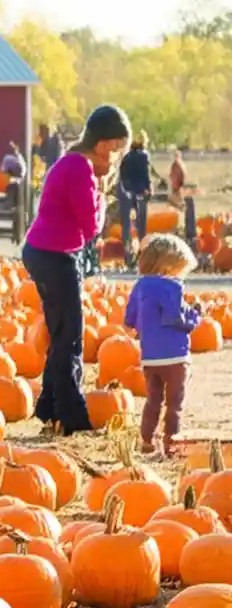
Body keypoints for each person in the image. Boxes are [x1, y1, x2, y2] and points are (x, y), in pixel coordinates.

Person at [24, 104, 132, 436]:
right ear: (102, 143)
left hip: (44, 252)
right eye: (116, 147)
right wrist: (101, 194)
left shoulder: (69, 163)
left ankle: (50, 406)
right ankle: (71, 414)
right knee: (70, 335)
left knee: (61, 333)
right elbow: (91, 226)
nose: (116, 155)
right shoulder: (80, 169)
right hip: (55, 256)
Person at [124, 234, 200, 457]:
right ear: (169, 265)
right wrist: (194, 316)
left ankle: (146, 440)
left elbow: (129, 319)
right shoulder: (171, 286)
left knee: (153, 400)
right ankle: (171, 443)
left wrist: (144, 328)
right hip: (175, 357)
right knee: (174, 403)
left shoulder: (140, 286)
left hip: (149, 357)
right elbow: (175, 317)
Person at [118, 131, 152, 262]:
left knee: (126, 225)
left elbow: (122, 174)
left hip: (127, 192)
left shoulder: (126, 157)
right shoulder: (143, 156)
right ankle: (141, 253)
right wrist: (148, 188)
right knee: (141, 225)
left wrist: (126, 188)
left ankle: (126, 253)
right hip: (140, 193)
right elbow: (145, 174)